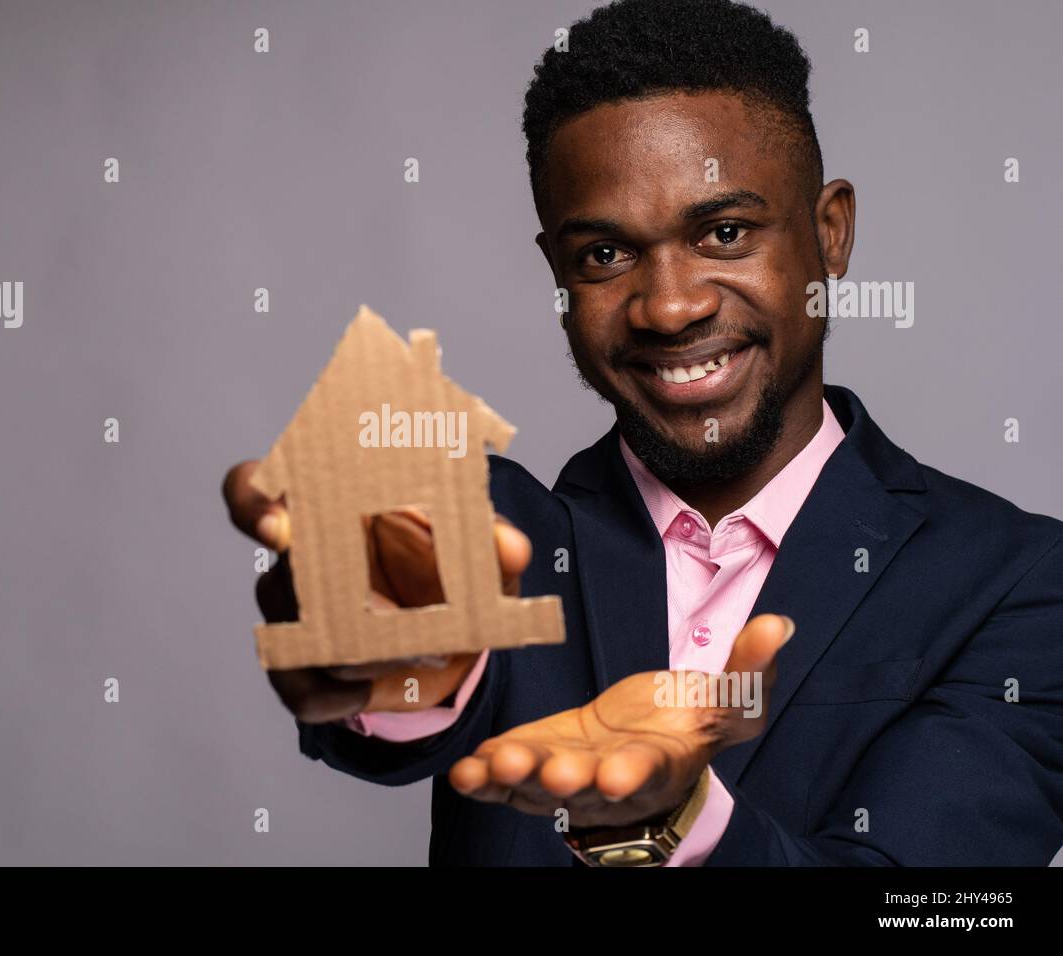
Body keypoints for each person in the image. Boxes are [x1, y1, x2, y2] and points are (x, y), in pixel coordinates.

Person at [223, 0, 1063, 865]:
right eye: (605, 256)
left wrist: (679, 821)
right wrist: (393, 661)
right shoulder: (488, 531)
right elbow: (411, 679)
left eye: (725, 233)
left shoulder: (1017, 582)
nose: (670, 305)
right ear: (558, 273)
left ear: (829, 233)